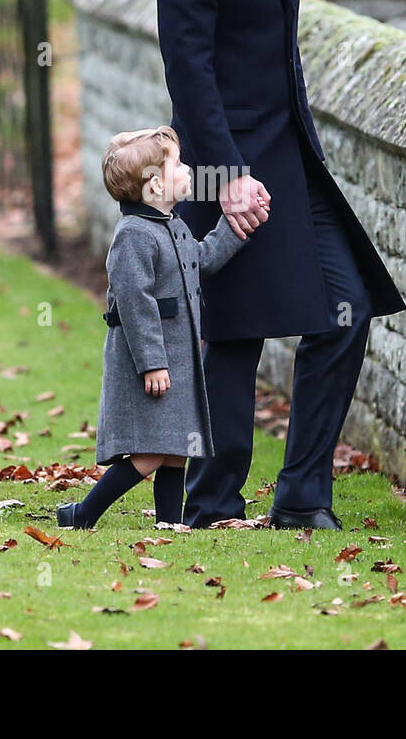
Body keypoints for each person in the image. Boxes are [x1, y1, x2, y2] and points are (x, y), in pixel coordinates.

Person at [152, 0, 406, 531]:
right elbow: (189, 71)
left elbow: (282, 52)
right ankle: (212, 501)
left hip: (292, 160)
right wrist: (228, 176)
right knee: (235, 331)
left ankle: (300, 494)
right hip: (224, 164)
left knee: (347, 309)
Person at [57, 126, 260, 530]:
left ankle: (169, 523)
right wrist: (152, 363)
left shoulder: (173, 226)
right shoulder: (133, 236)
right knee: (149, 452)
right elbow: (135, 305)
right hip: (151, 363)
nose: (188, 170)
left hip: (178, 360)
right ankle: (82, 514)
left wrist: (235, 228)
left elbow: (200, 261)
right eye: (178, 165)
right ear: (154, 185)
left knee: (174, 449)